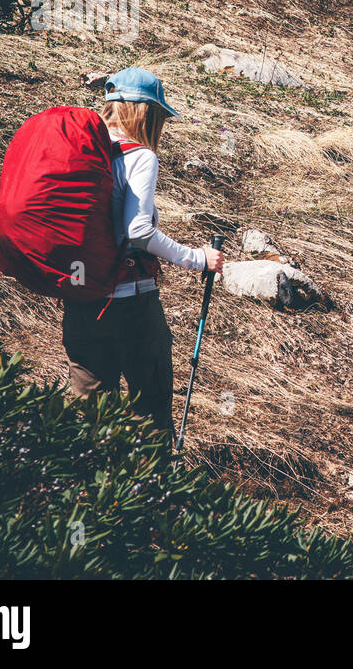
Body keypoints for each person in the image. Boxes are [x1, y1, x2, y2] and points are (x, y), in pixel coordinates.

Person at [60, 67, 224, 433]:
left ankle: (90, 488)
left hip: (80, 299)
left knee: (93, 419)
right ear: (146, 112)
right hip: (131, 305)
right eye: (160, 115)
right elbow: (138, 230)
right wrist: (196, 257)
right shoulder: (140, 156)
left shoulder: (81, 150)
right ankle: (152, 489)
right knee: (149, 416)